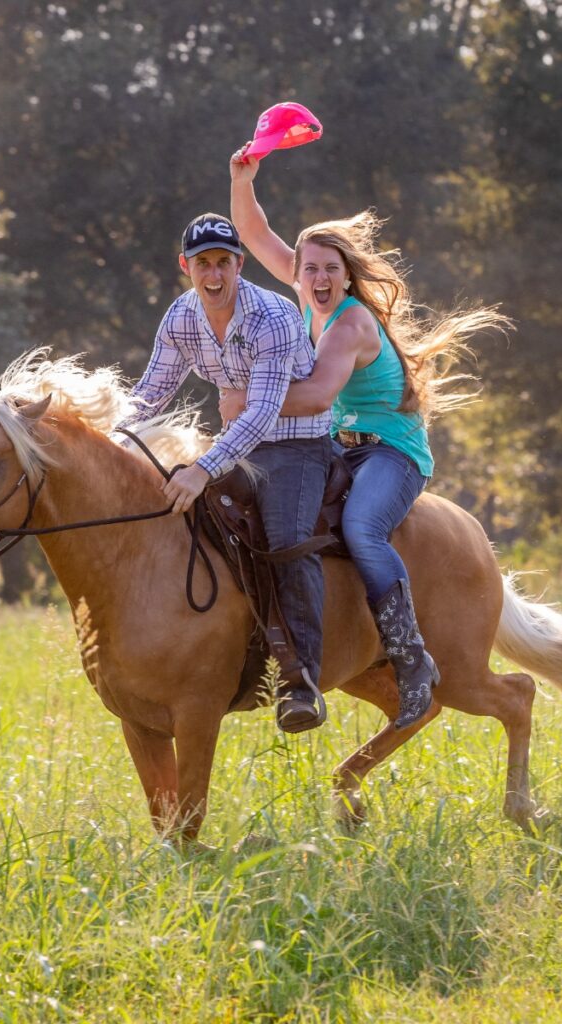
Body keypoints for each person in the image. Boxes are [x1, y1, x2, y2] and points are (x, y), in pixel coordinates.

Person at [226, 150, 506, 730]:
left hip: (390, 452)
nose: (319, 278)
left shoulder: (350, 322)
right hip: (339, 449)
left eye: (330, 269)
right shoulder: (307, 296)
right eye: (310, 269)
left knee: (360, 527)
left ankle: (410, 654)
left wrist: (247, 397)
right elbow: (253, 232)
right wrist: (242, 179)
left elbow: (318, 395)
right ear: (298, 274)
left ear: (346, 274)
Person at [116, 213, 335, 733]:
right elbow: (151, 392)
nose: (212, 276)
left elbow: (261, 412)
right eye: (202, 264)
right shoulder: (179, 318)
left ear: (239, 263)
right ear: (184, 266)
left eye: (222, 263)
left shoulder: (275, 317)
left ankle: (301, 679)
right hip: (240, 444)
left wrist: (201, 469)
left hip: (297, 444)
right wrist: (108, 435)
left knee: (284, 538)